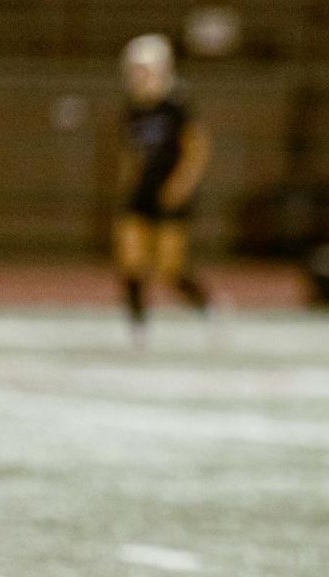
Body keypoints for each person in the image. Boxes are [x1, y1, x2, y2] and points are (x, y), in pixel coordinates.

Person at [116, 34, 214, 349]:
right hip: (142, 193)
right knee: (131, 260)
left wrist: (180, 186)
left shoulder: (177, 107)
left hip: (170, 194)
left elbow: (197, 150)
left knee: (169, 269)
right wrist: (129, 183)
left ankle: (207, 308)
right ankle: (138, 325)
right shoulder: (134, 109)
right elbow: (132, 153)